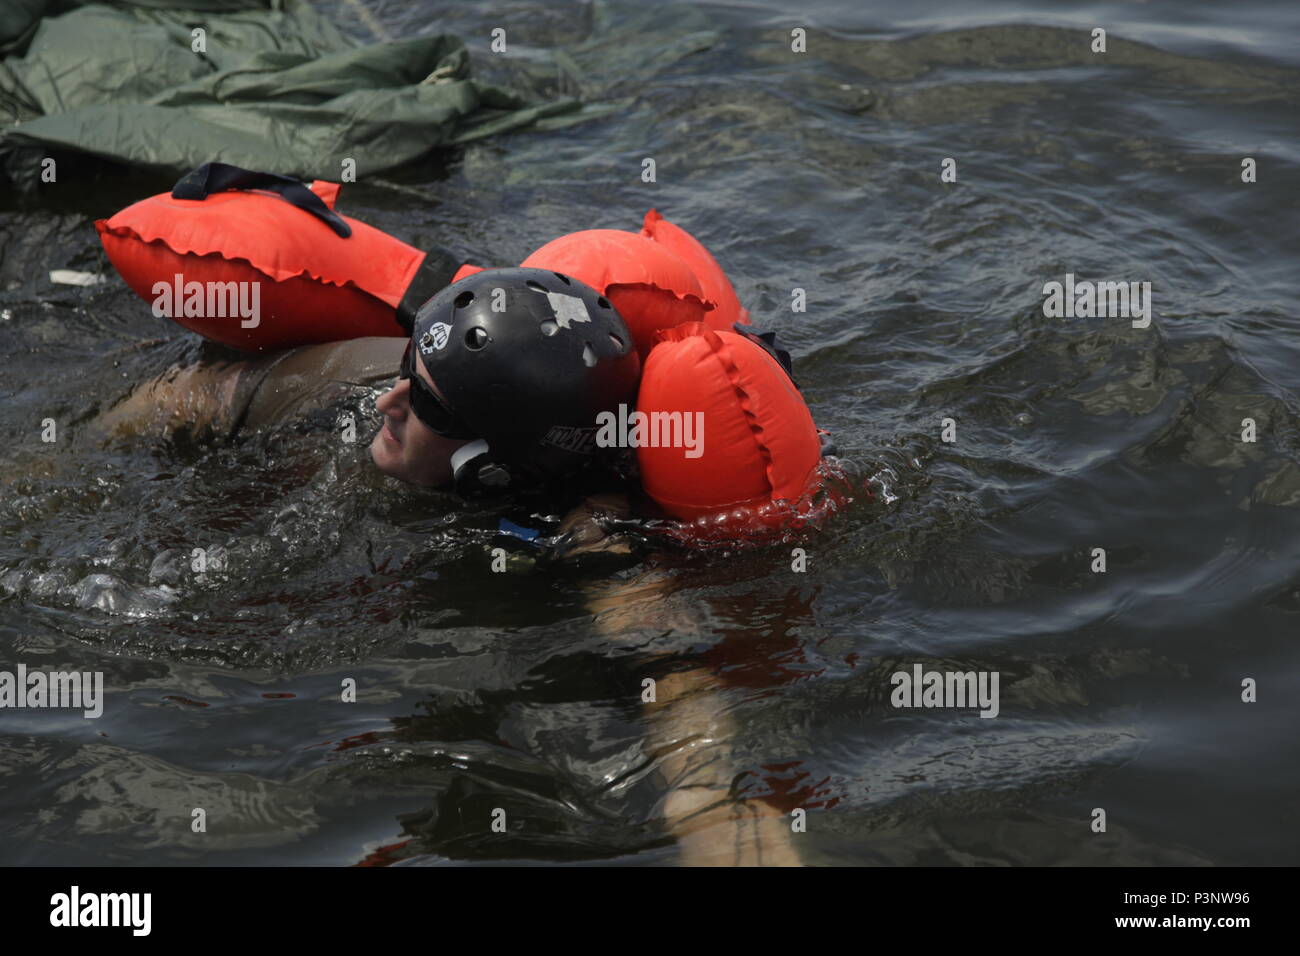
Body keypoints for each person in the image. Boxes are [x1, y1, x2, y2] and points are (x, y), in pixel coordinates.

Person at [90, 265, 805, 864]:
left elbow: (661, 648)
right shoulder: (343, 384)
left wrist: (706, 796)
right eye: (409, 367)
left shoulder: (583, 520)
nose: (388, 399)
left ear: (494, 467)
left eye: (426, 400)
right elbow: (182, 398)